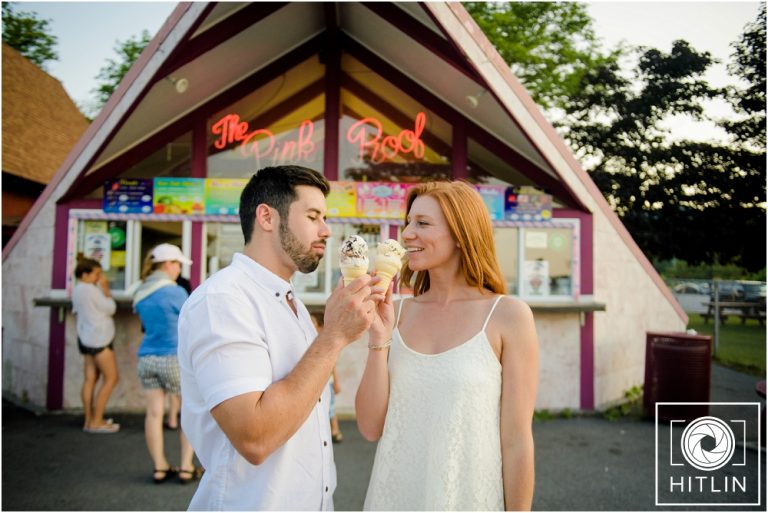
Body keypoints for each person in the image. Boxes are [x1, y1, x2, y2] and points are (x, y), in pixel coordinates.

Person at [178, 165, 381, 510]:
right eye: (313, 216)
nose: (327, 231)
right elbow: (255, 436)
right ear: (267, 217)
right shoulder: (224, 300)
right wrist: (333, 336)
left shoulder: (292, 303)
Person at [356, 181, 540, 511]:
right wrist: (378, 338)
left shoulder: (508, 316)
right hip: (394, 500)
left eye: (422, 223)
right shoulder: (395, 312)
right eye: (408, 222)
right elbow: (370, 428)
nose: (407, 233)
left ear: (460, 234)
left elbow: (516, 442)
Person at [133, 243, 200, 484]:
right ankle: (185, 467)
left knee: (153, 414)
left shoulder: (141, 290)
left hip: (146, 358)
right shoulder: (175, 292)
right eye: (178, 265)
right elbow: (192, 322)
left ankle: (160, 467)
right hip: (173, 358)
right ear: (169, 264)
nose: (179, 271)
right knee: (189, 412)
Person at [71, 257, 120, 434]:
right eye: (97, 274)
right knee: (111, 378)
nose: (99, 278)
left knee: (90, 379)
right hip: (100, 339)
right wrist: (106, 291)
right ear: (85, 275)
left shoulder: (77, 290)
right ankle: (97, 420)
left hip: (85, 338)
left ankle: (88, 420)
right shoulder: (91, 290)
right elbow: (110, 308)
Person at [311, 312, 344, 443]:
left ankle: (335, 431)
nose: (309, 323)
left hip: (327, 382)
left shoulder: (324, 342)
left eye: (312, 321)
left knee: (329, 407)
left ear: (320, 326)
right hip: (316, 381)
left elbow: (332, 364)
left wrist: (336, 381)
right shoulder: (310, 340)